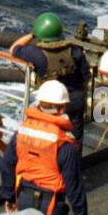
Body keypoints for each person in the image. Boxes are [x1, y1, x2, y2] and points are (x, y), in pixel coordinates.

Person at [0, 81, 88, 215]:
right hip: (52, 206)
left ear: (39, 103)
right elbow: (74, 184)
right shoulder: (64, 143)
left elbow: (7, 165)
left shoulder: (21, 132)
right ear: (61, 108)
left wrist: (9, 197)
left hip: (23, 199)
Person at [11, 11, 89, 144]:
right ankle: (74, 162)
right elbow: (86, 75)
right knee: (74, 139)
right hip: (75, 100)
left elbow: (14, 48)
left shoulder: (36, 53)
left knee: (48, 137)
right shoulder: (75, 50)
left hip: (51, 103)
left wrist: (32, 34)